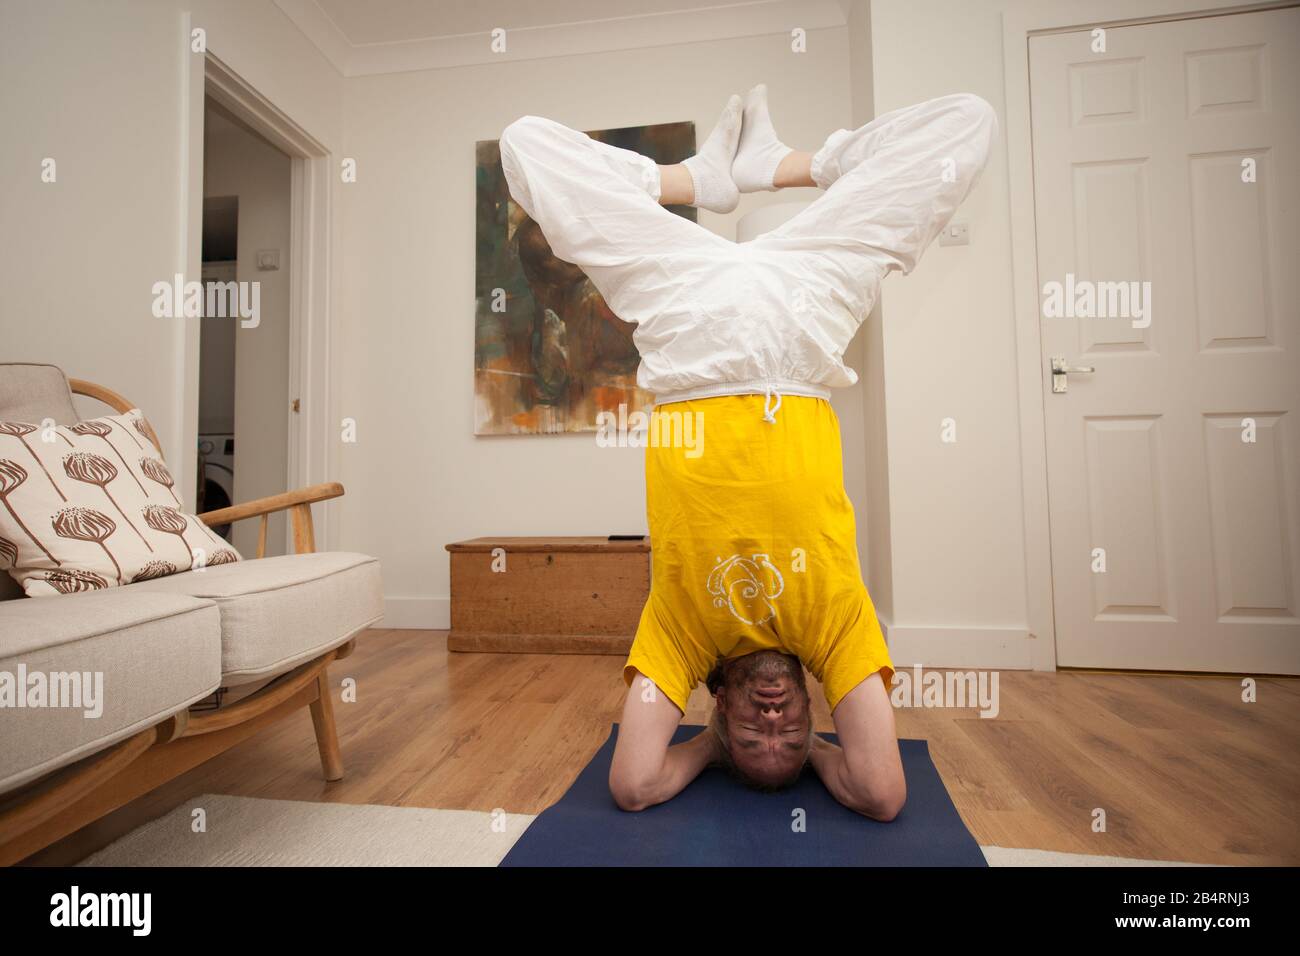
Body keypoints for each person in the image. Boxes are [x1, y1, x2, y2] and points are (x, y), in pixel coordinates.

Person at [498, 84, 997, 819]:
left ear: (719, 707)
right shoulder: (836, 626)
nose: (773, 723)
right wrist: (814, 756)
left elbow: (634, 784)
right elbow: (883, 795)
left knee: (525, 142)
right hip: (804, 323)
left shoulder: (680, 632)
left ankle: (693, 181)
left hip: (685, 317)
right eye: (792, 735)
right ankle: (789, 164)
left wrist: (710, 751)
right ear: (810, 711)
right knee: (969, 125)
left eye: (752, 735)